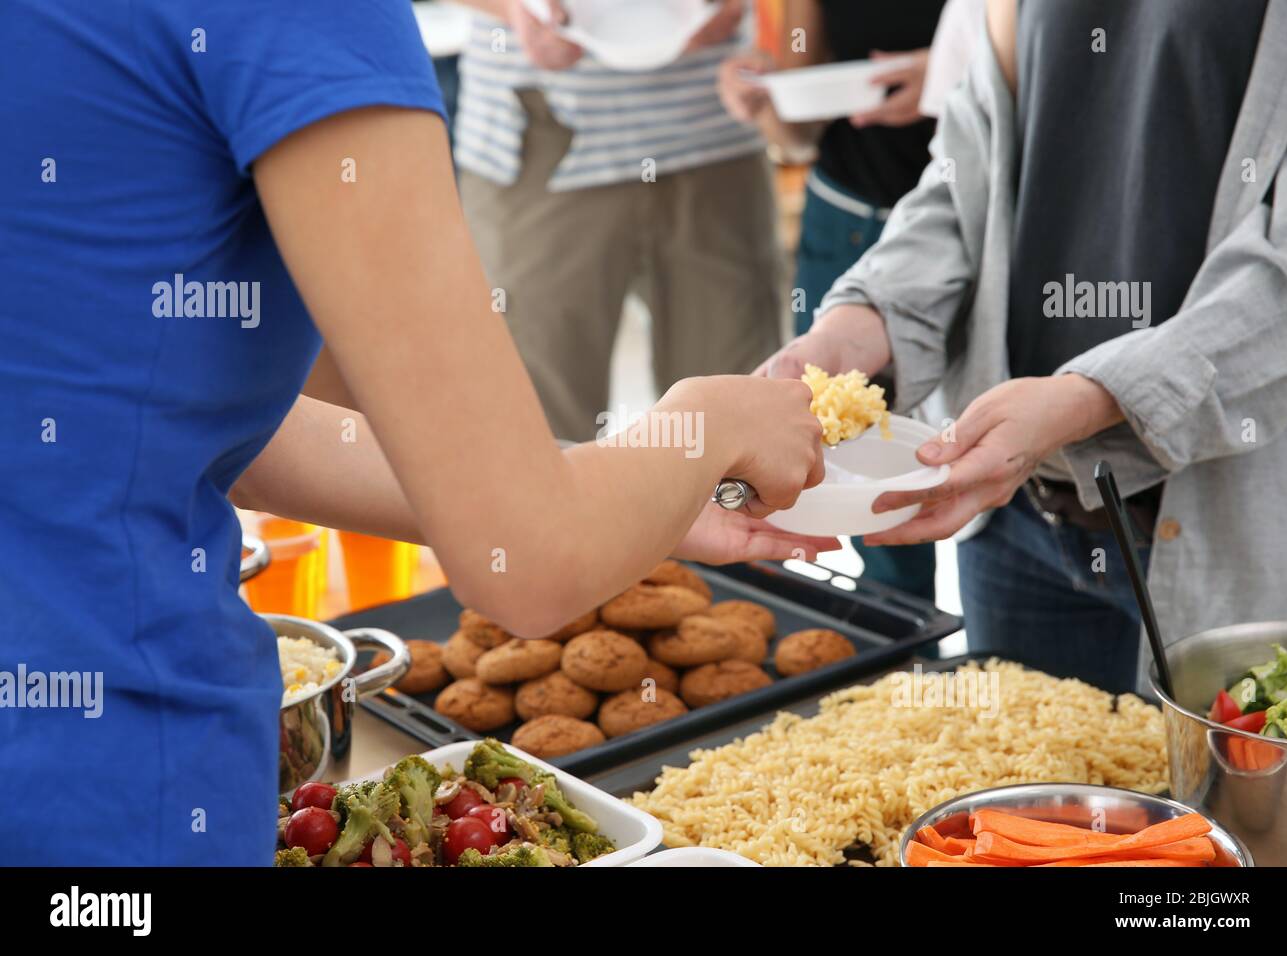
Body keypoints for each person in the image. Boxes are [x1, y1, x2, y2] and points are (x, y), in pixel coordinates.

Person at [0, 0, 833, 865]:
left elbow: (189, 419)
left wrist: (597, 483)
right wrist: (711, 422)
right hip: (104, 784)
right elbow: (534, 559)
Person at [763, 0, 1287, 693]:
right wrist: (862, 321)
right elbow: (966, 177)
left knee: (1202, 799)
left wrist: (1090, 398)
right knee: (1018, 797)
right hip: (1017, 516)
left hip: (1224, 529)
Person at [453, 0, 785, 442]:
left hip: (714, 137)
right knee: (534, 434)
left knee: (732, 431)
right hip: (539, 147)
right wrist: (513, 9)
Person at [719, 0, 945, 600]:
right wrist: (768, 99)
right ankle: (895, 665)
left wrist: (950, 78)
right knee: (859, 473)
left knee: (974, 468)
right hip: (847, 220)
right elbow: (795, 136)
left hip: (970, 236)